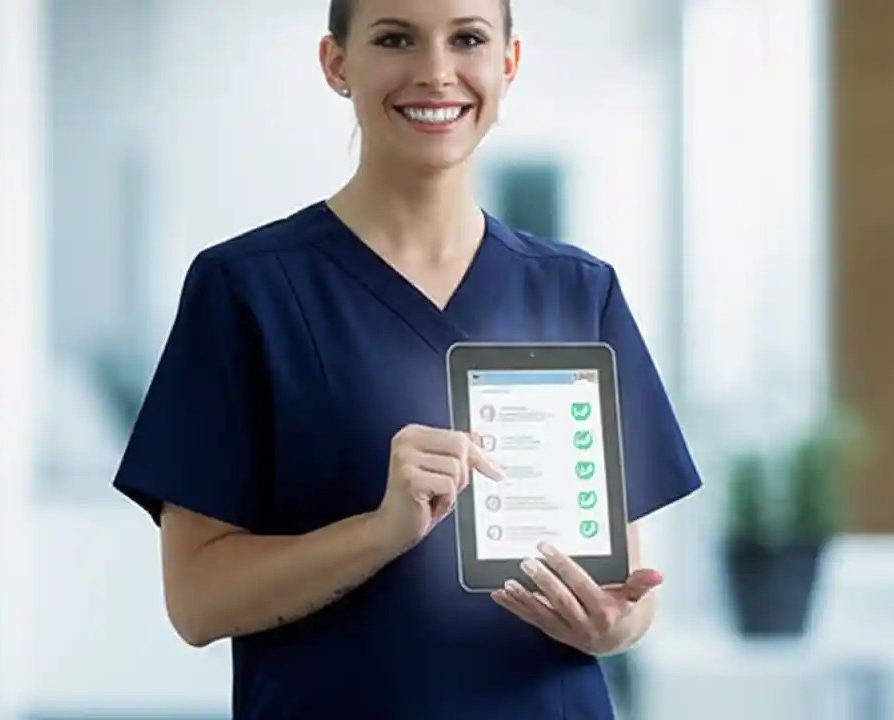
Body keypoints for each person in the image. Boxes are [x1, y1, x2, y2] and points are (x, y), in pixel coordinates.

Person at [111, 0, 702, 717]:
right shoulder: (246, 290)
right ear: (337, 63)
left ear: (507, 65)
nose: (436, 72)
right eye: (396, 39)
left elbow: (627, 591)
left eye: (468, 40)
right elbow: (198, 602)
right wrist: (380, 532)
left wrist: (616, 625)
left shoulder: (579, 291)